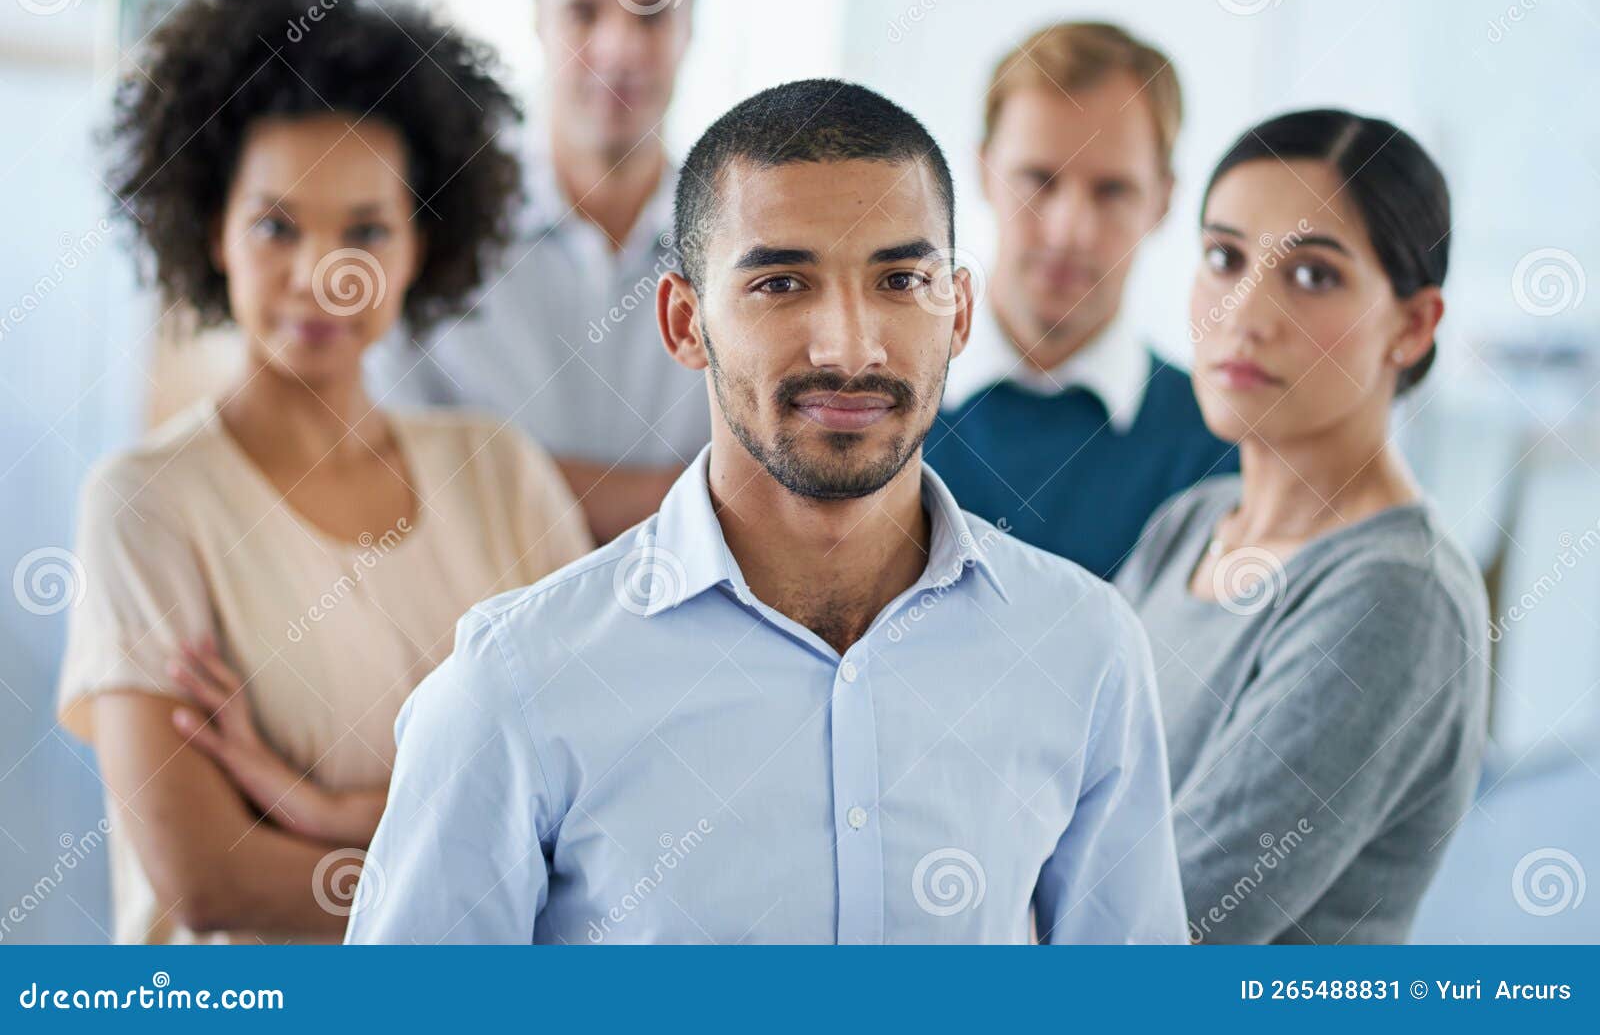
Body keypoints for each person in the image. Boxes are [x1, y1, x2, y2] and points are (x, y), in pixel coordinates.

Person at [345, 79, 1187, 944]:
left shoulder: (1085, 653)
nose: (850, 347)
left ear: (959, 312)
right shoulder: (516, 683)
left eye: (900, 280)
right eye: (782, 283)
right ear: (683, 322)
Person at [56, 0, 592, 944]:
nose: (321, 276)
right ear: (212, 231)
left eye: (365, 230)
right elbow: (209, 881)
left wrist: (333, 817)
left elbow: (597, 800)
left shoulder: (500, 471)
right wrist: (485, 871)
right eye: (274, 225)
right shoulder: (147, 503)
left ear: (419, 247)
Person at [1114, 109, 1490, 943]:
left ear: (1413, 325)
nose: (1244, 312)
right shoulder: (1194, 524)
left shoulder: (1395, 597)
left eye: (1312, 275)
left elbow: (1164, 931)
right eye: (1224, 259)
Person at [369, 0, 707, 543]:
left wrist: (513, 490)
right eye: (584, 11)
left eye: (652, 13)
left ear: (690, 28)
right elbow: (396, 481)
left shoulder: (749, 244)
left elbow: (780, 502)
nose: (618, 49)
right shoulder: (432, 226)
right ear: (537, 18)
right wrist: (685, 506)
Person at [926, 22, 1236, 580]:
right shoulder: (868, 407)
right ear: (982, 172)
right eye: (1039, 180)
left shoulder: (1218, 455)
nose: (1070, 231)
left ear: (1164, 200)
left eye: (1111, 190)